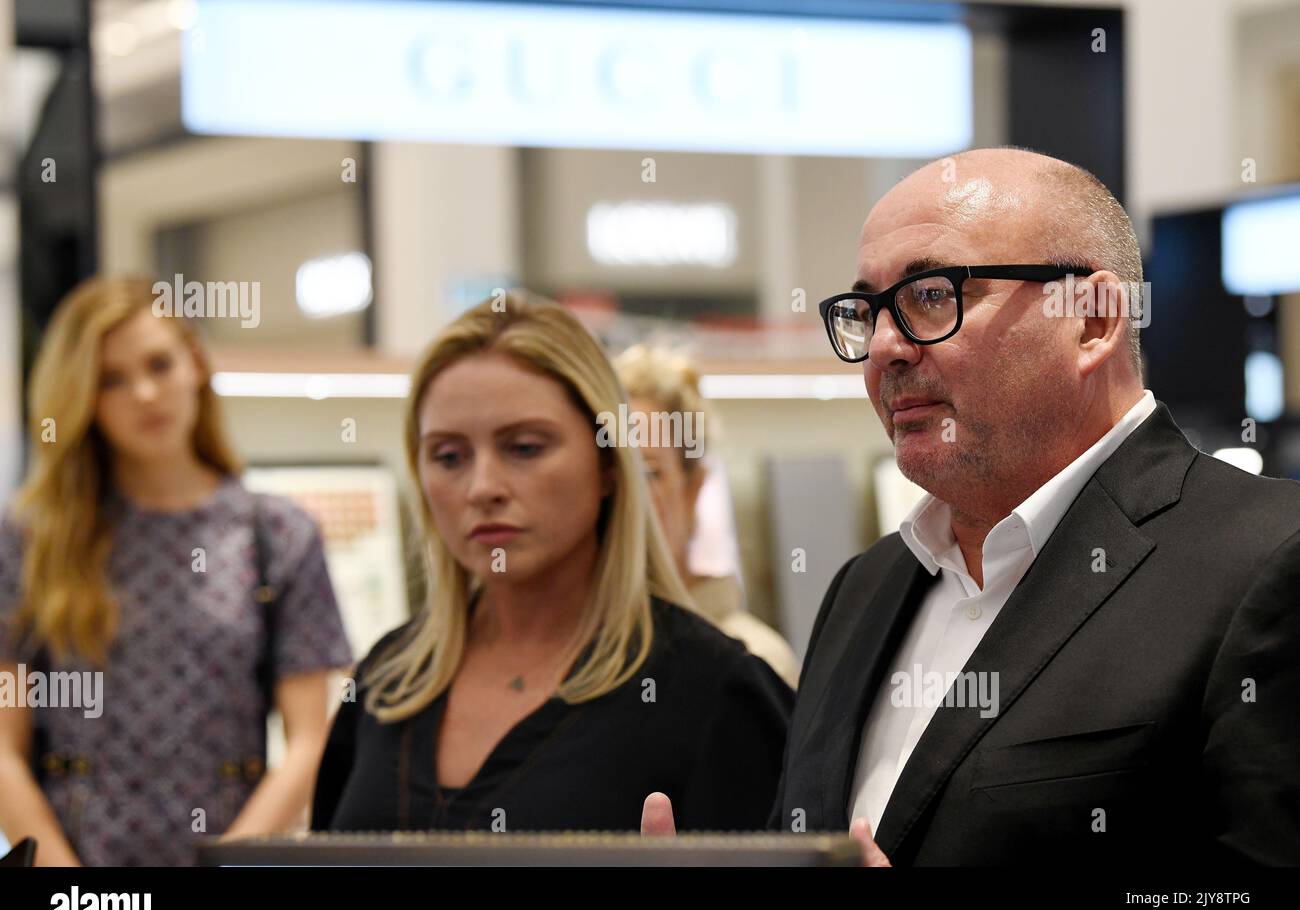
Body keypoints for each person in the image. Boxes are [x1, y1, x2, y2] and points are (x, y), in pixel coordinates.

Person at [644, 147, 1300, 866]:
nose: (886, 347)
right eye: (867, 312)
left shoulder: (1266, 560)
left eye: (931, 295)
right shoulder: (865, 588)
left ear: (1093, 318)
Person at [311, 293, 791, 833]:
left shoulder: (714, 692)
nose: (482, 488)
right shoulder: (387, 680)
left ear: (609, 464)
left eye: (525, 448)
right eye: (448, 457)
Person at [0, 276, 352, 866]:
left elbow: (310, 745)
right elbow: (3, 748)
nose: (143, 393)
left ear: (195, 363)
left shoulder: (277, 535)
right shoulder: (34, 539)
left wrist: (227, 865)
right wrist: (65, 887)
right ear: (82, 395)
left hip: (224, 853)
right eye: (111, 379)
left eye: (159, 364)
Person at [614, 344, 799, 687]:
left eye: (647, 474)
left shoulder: (755, 660)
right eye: (612, 474)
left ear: (693, 488)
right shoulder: (574, 646)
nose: (625, 499)